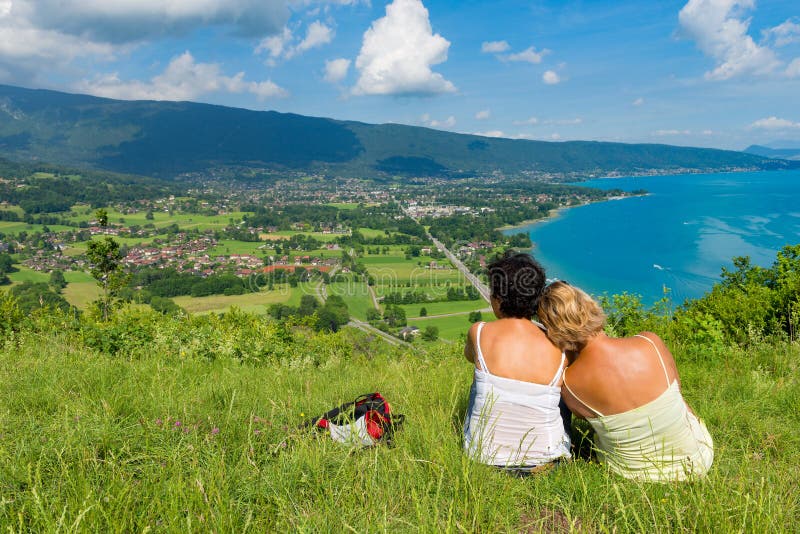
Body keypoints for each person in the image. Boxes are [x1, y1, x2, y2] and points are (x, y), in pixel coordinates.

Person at [537, 281, 714, 482]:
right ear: (588, 305)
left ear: (554, 331)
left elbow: (588, 417)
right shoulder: (650, 342)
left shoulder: (570, 386)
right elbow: (677, 392)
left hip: (635, 474)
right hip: (698, 461)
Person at [463, 253, 571, 474]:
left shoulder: (479, 332)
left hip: (483, 459)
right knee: (559, 387)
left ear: (498, 299)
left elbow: (468, 356)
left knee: (480, 376)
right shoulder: (560, 345)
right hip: (548, 462)